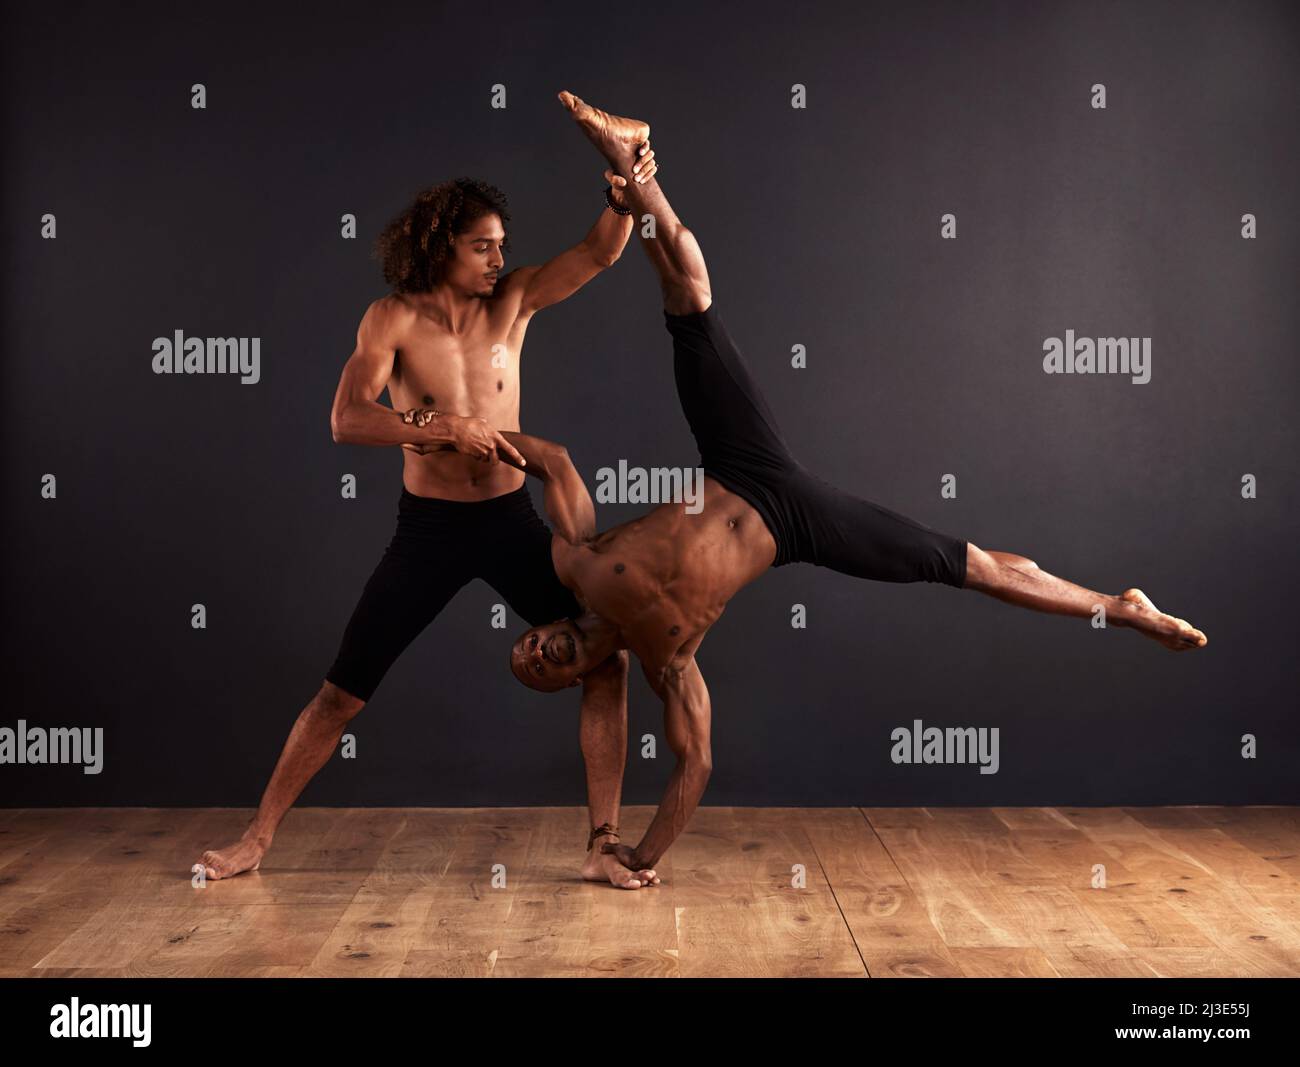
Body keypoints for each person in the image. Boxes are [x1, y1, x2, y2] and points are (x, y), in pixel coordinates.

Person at [496, 92, 1208, 879]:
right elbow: (695, 765)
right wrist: (641, 853)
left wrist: (469, 433)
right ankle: (1121, 607)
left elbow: (555, 462)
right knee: (962, 565)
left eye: (525, 645)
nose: (537, 651)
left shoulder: (580, 567)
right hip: (796, 521)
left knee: (688, 295)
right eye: (540, 668)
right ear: (569, 681)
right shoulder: (670, 662)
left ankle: (632, 161)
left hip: (743, 466)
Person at [199, 147, 667, 890]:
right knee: (340, 694)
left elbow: (598, 255)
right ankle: (255, 839)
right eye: (482, 245)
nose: (497, 258)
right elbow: (347, 418)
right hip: (429, 532)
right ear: (439, 242)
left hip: (510, 522)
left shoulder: (514, 301)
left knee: (602, 661)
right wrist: (436, 423)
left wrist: (624, 197)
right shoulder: (391, 318)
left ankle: (603, 841)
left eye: (501, 245)